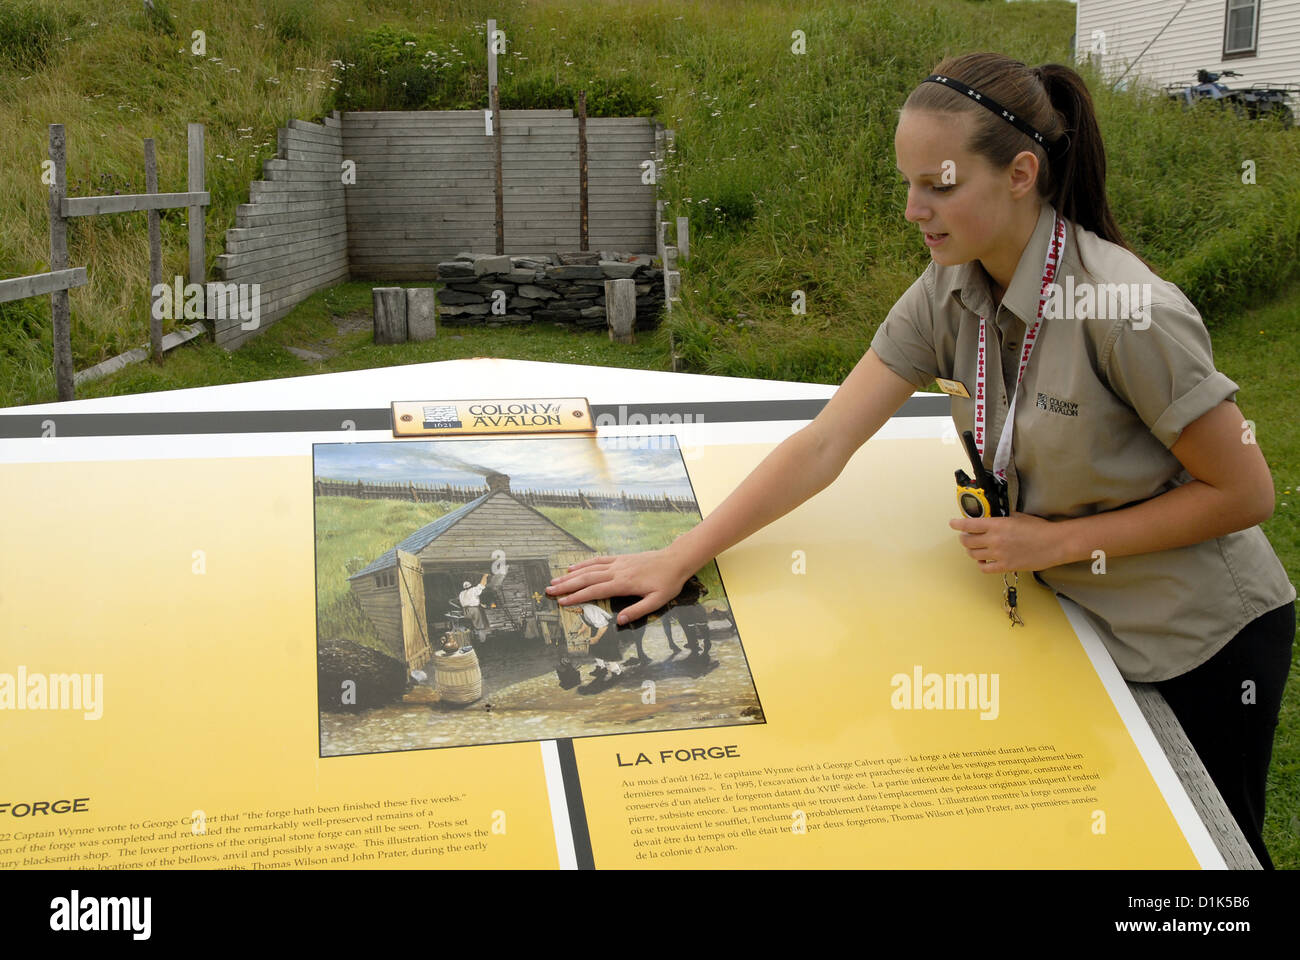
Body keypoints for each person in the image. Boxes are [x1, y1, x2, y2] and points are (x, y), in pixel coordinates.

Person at [546, 52, 1296, 868]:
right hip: (1079, 629)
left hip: (1202, 642)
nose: (913, 209)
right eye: (907, 184)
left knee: (1210, 865)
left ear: (1020, 174)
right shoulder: (947, 290)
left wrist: (1052, 543)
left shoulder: (1129, 311)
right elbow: (826, 441)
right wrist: (678, 554)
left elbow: (1245, 491)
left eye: (938, 186)